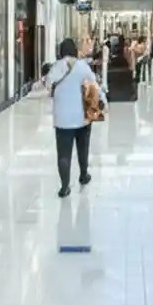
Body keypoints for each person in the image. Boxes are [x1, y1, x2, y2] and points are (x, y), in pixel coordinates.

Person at [47, 37, 105, 198]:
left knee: (63, 154)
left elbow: (48, 86)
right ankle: (83, 175)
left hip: (62, 119)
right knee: (83, 148)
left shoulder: (56, 67)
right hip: (82, 117)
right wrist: (103, 102)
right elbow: (94, 86)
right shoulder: (82, 66)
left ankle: (64, 187)